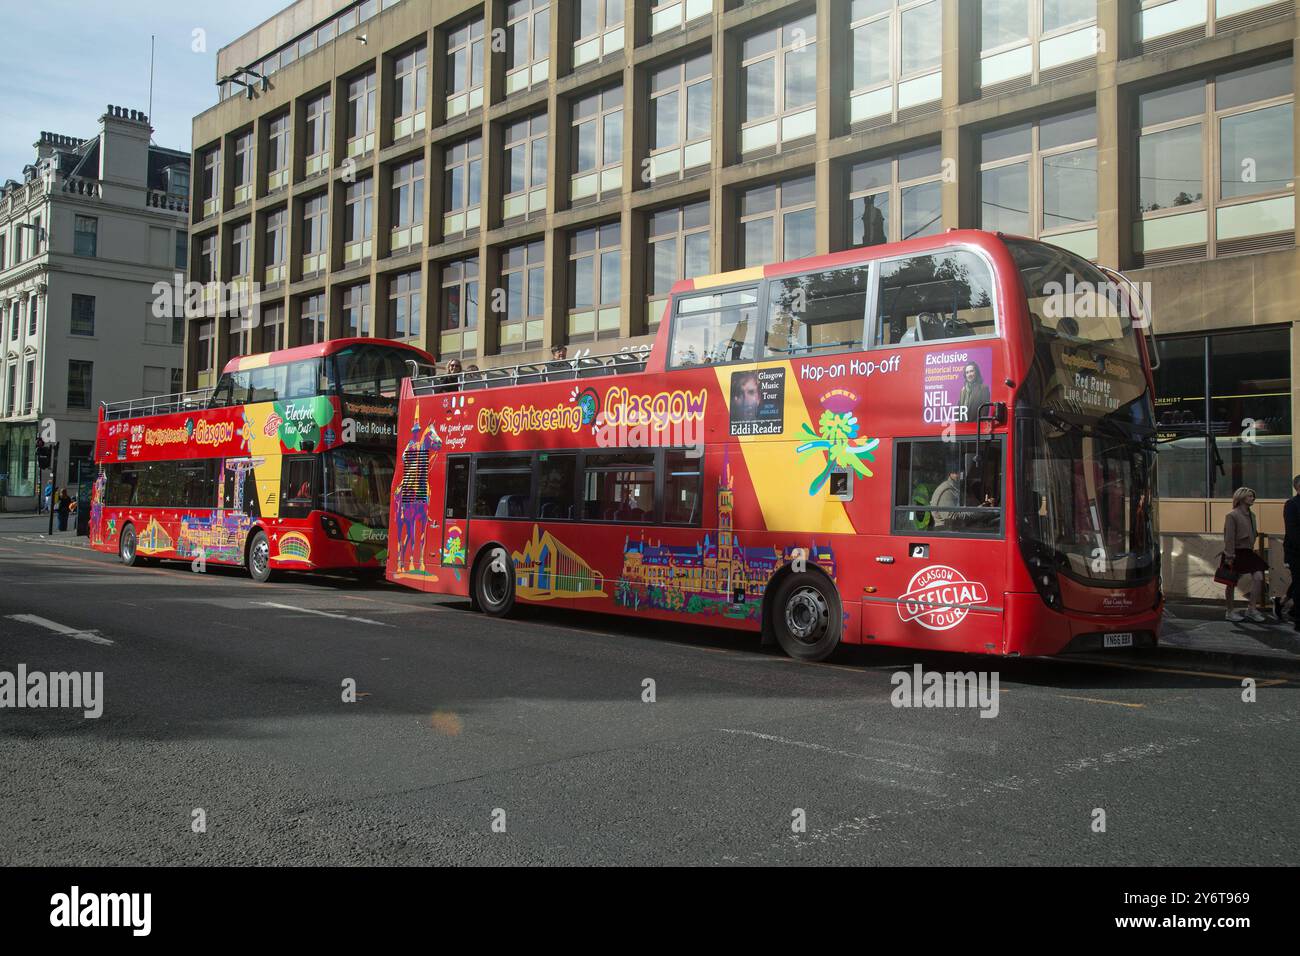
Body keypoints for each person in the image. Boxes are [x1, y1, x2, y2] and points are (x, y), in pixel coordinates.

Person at [1223, 486, 1268, 623]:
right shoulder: (1232, 515)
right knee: (1230, 582)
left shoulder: (1252, 515)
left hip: (1248, 551)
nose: (1252, 498)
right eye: (1249, 496)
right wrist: (1229, 556)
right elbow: (1229, 537)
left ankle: (1251, 608)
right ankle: (1229, 611)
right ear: (1241, 498)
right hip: (1235, 552)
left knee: (1259, 576)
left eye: (1253, 496)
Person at [1279, 474, 1300, 630]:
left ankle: (1282, 603)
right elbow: (1292, 531)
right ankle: (1298, 620)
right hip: (1296, 552)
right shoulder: (1292, 504)